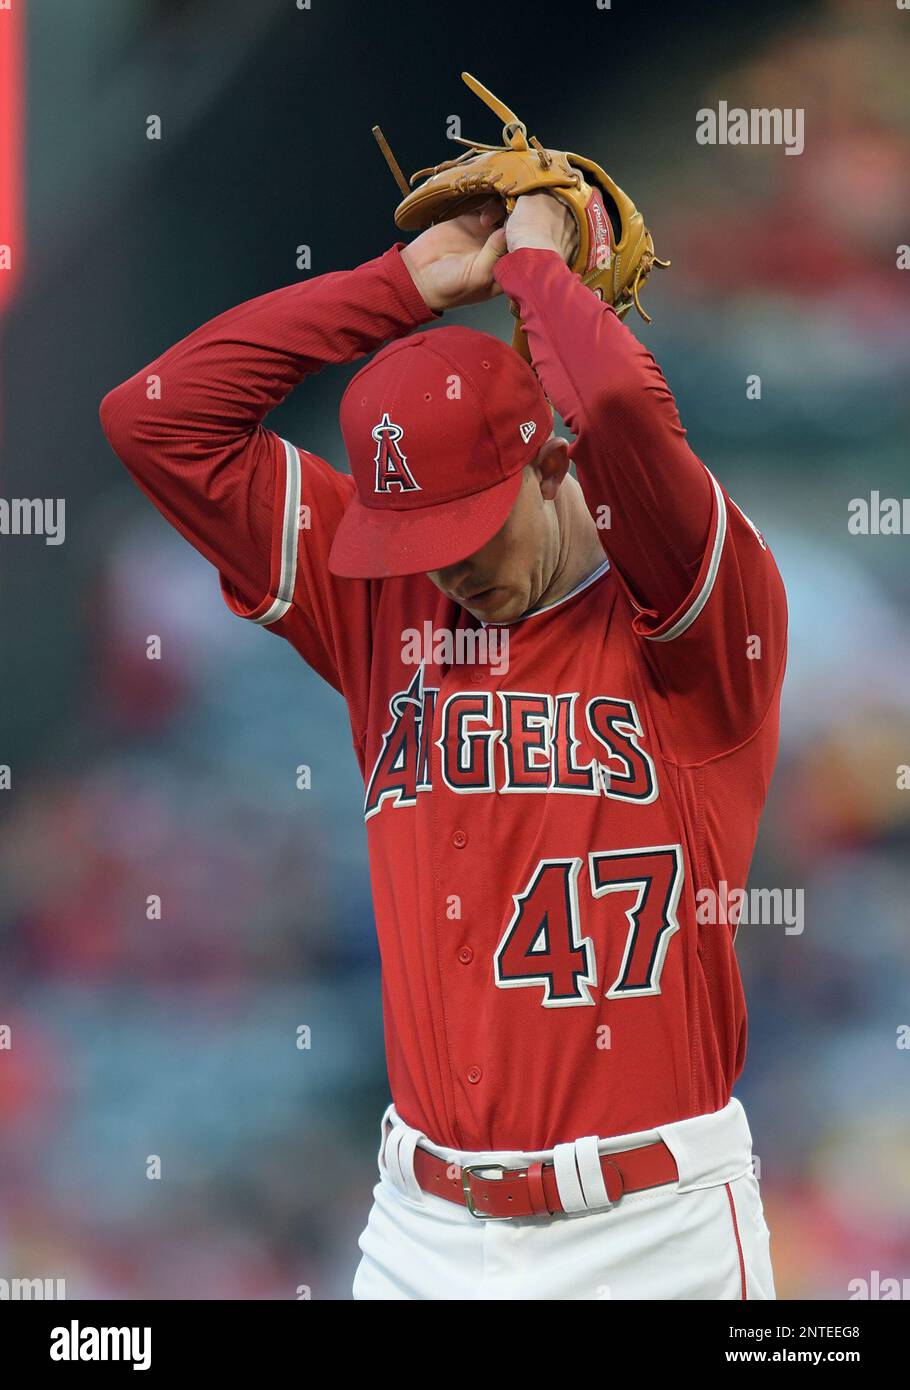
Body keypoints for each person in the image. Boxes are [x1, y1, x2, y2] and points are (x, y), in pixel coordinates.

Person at [100, 190, 787, 1301]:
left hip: (653, 1235)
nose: (445, 567)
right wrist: (398, 289)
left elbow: (616, 399)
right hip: (422, 1230)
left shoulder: (700, 627)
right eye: (407, 538)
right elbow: (155, 417)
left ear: (556, 466)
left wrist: (536, 272)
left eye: (467, 527)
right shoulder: (384, 610)